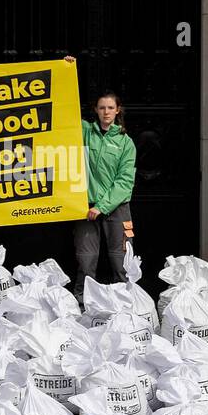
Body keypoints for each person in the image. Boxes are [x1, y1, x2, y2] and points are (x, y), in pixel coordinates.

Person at [73, 89, 137, 304]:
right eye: (102, 108)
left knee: (121, 262)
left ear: (117, 110)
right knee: (86, 261)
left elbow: (125, 181)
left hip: (115, 208)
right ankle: (82, 305)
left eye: (110, 108)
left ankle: (125, 306)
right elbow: (64, 111)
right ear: (95, 110)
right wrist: (65, 68)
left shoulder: (125, 142)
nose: (106, 112)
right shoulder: (84, 131)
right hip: (86, 207)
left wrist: (102, 206)